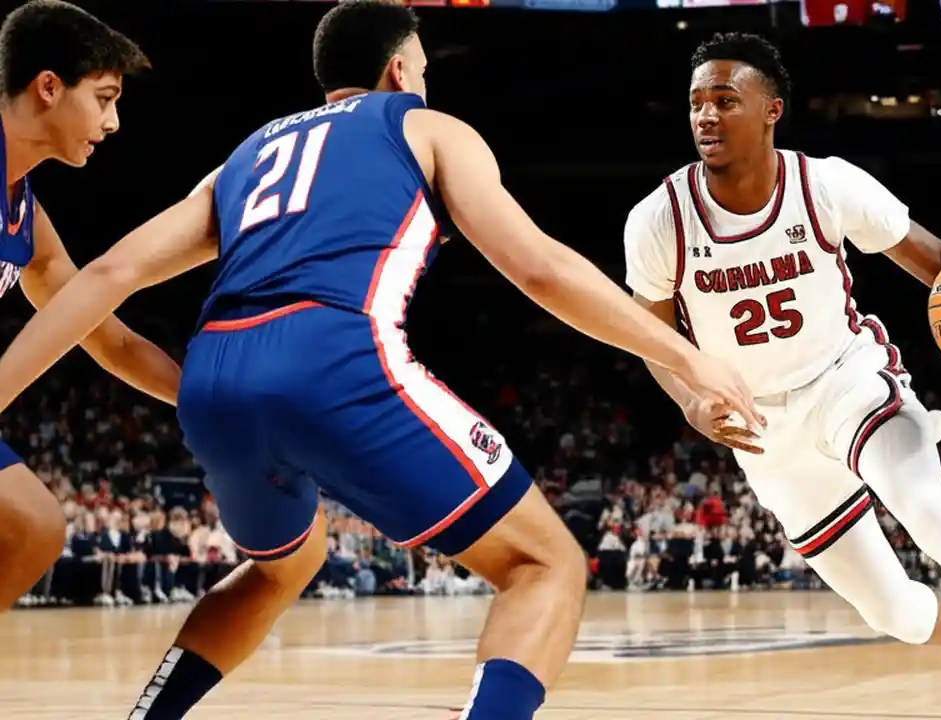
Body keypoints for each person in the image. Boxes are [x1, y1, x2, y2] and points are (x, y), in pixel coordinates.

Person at [0, 3, 760, 718]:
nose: (424, 82)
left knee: (283, 565)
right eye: (422, 69)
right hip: (331, 358)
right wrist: (687, 359)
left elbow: (110, 274)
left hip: (210, 376)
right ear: (399, 70)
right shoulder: (425, 127)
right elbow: (539, 268)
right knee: (546, 564)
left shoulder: (249, 154)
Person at [623, 32, 941, 720]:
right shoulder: (658, 219)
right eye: (697, 101)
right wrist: (689, 402)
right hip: (763, 429)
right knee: (892, 612)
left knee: (928, 507)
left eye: (725, 100)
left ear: (771, 109)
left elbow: (940, 262)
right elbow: (652, 336)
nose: (706, 115)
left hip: (845, 381)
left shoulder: (826, 185)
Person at [0, 0, 180, 611]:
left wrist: (204, 401)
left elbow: (112, 340)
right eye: (104, 98)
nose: (114, 121)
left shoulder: (25, 217)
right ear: (49, 87)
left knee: (34, 527)